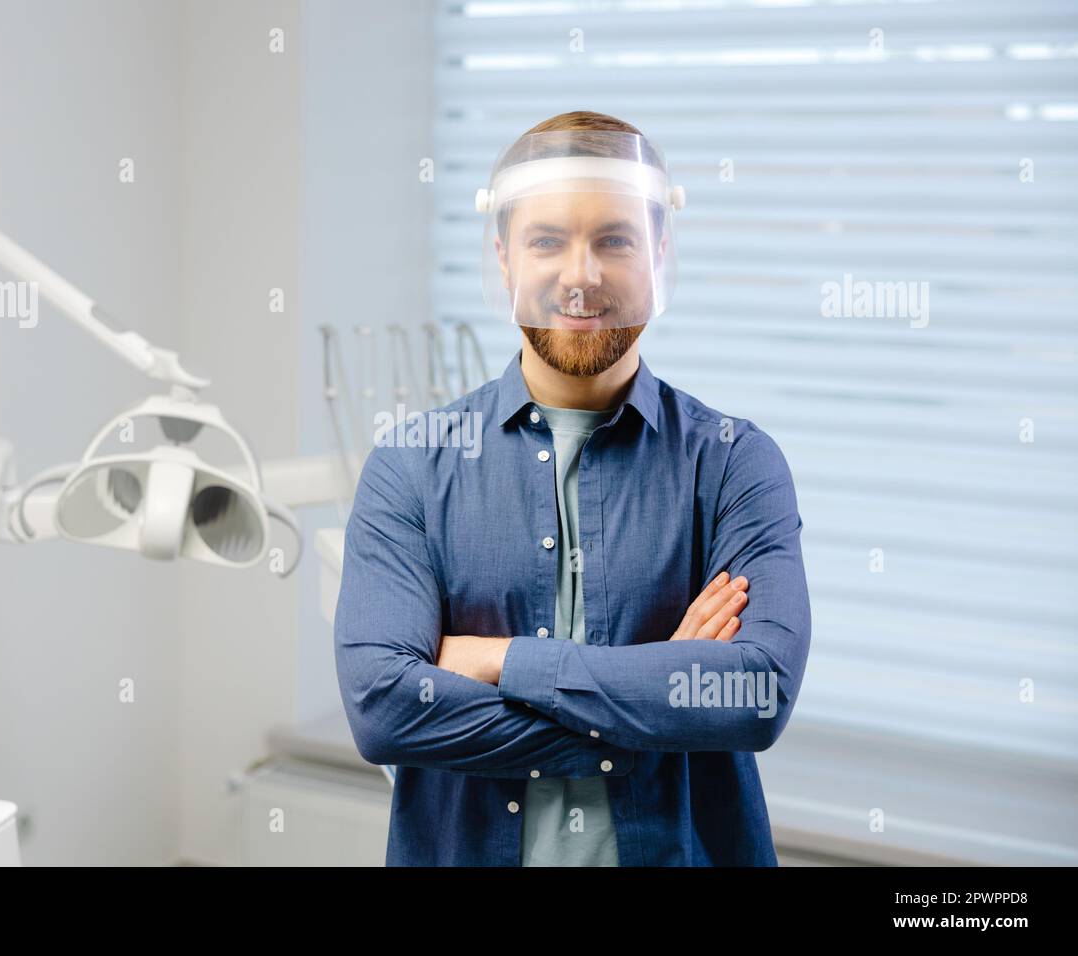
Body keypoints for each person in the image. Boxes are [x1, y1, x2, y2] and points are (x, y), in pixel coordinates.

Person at [333, 110, 811, 866]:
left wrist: (500, 661)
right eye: (548, 241)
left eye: (614, 240)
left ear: (658, 250)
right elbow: (384, 712)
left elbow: (752, 694)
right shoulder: (411, 467)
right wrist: (655, 703)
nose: (581, 274)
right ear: (504, 259)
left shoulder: (733, 464)